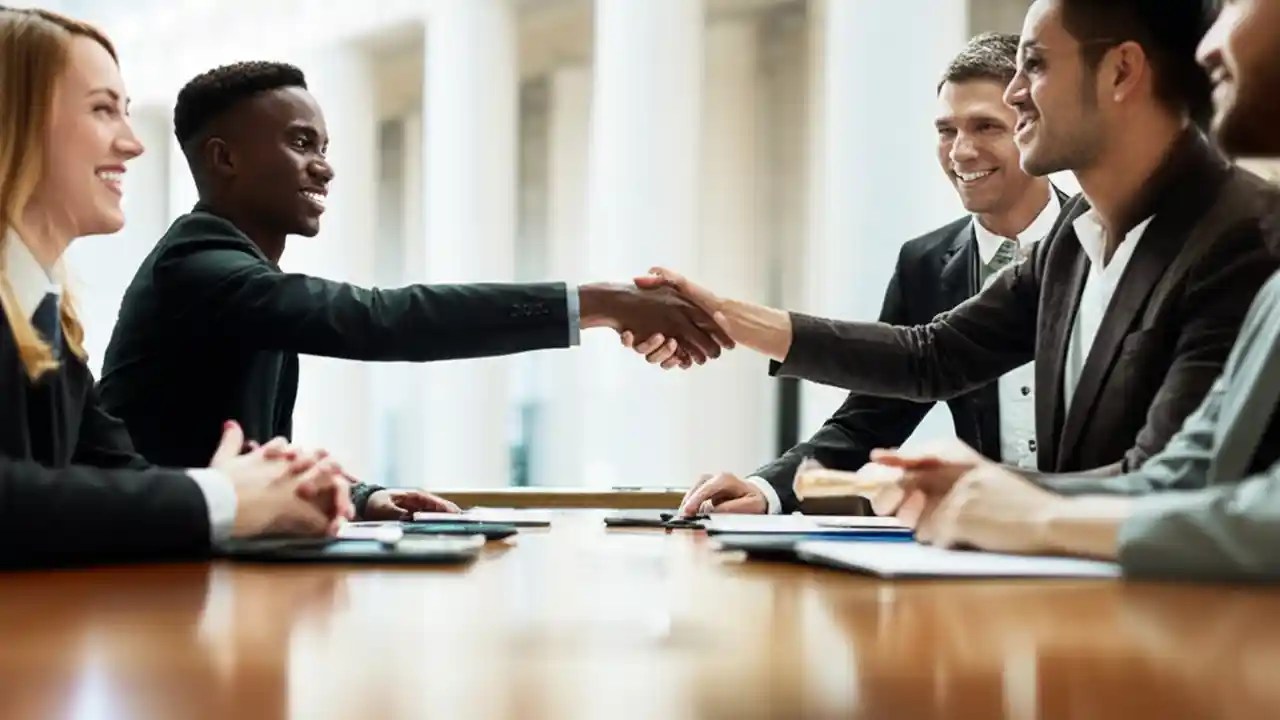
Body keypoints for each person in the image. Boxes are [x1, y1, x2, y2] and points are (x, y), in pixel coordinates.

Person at [657, 0, 1280, 518]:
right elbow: (933, 355)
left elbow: (1172, 487)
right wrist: (725, 316)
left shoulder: (1243, 234)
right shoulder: (1075, 239)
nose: (1016, 93)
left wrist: (976, 496)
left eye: (1033, 66)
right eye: (946, 129)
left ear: (1120, 73)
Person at [96, 61, 732, 520]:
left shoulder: (234, 272)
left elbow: (247, 447)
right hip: (148, 579)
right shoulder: (199, 266)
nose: (324, 165)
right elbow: (380, 320)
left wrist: (367, 495)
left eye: (323, 146)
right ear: (224, 159)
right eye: (299, 143)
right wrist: (598, 301)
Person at [846, 0, 1280, 582]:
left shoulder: (1233, 235)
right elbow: (1182, 477)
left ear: (1122, 73)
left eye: (1238, 3)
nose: (1207, 48)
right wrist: (990, 495)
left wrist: (1040, 519)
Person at [632, 34, 1066, 516]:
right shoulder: (925, 264)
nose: (961, 151)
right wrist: (768, 489)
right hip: (990, 547)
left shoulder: (1099, 240)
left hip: (1112, 535)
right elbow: (873, 415)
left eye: (986, 126)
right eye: (946, 130)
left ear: (1031, 123)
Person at [0, 7, 350, 567]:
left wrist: (281, 492)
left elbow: (115, 474)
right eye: (101, 110)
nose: (132, 144)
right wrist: (222, 497)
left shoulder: (45, 319)